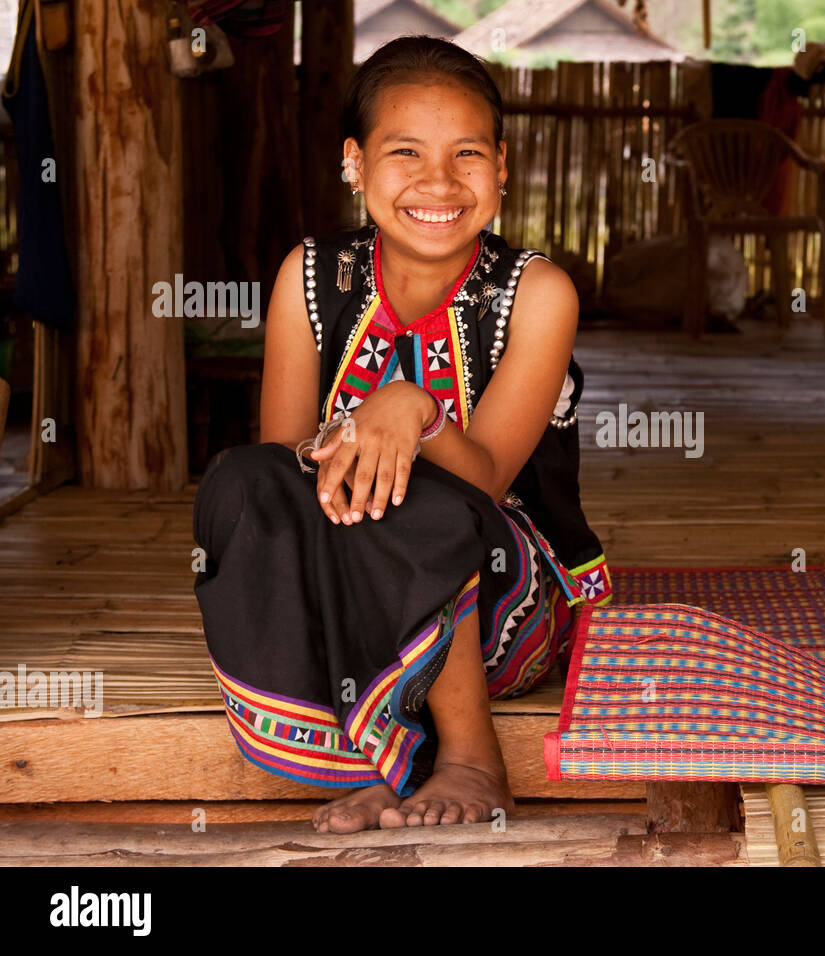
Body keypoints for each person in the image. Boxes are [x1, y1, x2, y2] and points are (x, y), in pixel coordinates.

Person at [192, 37, 611, 833]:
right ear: (355, 163)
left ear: (502, 165)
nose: (439, 182)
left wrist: (415, 410)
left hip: (500, 599)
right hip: (344, 590)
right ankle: (381, 762)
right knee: (243, 481)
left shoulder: (536, 292)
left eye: (467, 154)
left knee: (421, 495)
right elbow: (285, 468)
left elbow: (487, 480)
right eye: (405, 152)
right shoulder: (309, 276)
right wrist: (352, 445)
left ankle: (471, 758)